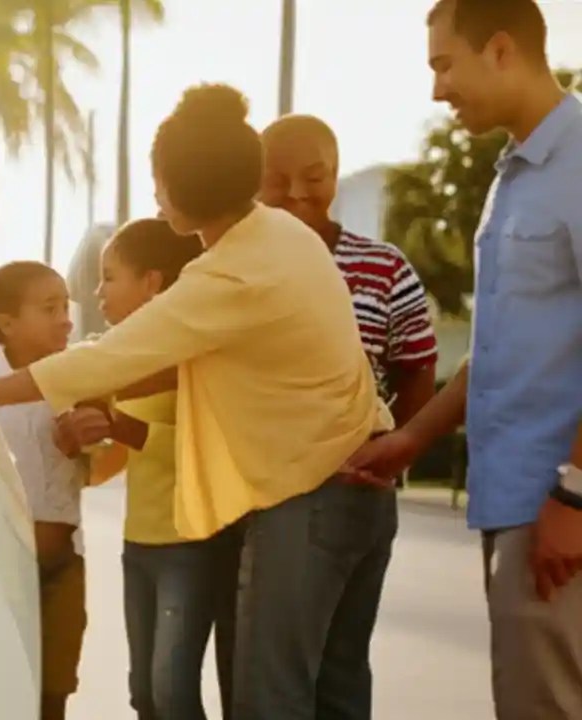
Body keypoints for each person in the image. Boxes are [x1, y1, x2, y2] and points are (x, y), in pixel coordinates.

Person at [0, 83, 392, 720]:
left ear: (184, 188)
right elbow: (167, 370)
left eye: (159, 181)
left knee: (271, 702)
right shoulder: (281, 234)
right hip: (365, 490)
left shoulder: (225, 276)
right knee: (336, 697)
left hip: (310, 501)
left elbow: (107, 358)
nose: (154, 195)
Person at [344, 1, 582, 717]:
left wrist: (574, 491)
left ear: (502, 49)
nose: (437, 90)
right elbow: (502, 352)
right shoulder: (517, 174)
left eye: (444, 65)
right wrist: (412, 439)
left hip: (558, 508)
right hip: (517, 503)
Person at [259, 114, 439, 718]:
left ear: (335, 174)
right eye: (277, 179)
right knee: (308, 674)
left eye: (315, 176)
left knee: (309, 677)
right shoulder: (250, 263)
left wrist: (399, 449)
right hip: (280, 490)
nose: (299, 192)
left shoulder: (382, 265)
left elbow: (419, 360)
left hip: (349, 495)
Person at [58, 218, 237, 720]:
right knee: (145, 695)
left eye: (110, 277)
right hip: (139, 546)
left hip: (191, 546)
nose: (98, 291)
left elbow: (201, 448)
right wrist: (77, 439)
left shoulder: (193, 359)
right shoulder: (122, 363)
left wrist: (118, 424)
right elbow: (110, 463)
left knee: (172, 693)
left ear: (153, 282)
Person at [0, 261, 93, 720]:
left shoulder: (79, 375)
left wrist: (84, 442)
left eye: (66, 306)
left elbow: (95, 466)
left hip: (64, 565)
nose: (65, 319)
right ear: (7, 323)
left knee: (54, 692)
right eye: (49, 308)